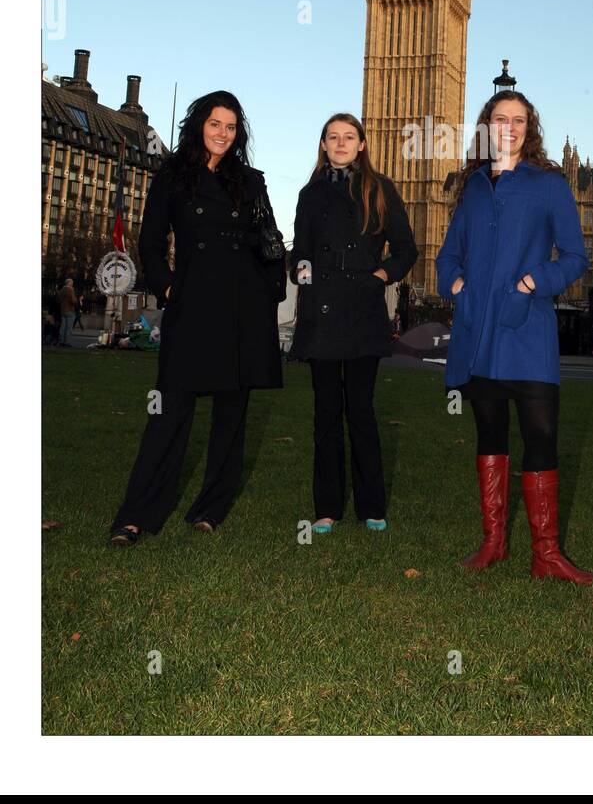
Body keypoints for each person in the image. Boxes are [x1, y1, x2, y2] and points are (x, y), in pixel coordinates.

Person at [437, 92, 593, 584]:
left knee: (541, 435)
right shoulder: (471, 187)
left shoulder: (549, 184)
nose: (509, 127)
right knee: (489, 435)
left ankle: (546, 553)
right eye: (500, 119)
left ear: (530, 128)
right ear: (486, 126)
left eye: (519, 120)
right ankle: (494, 543)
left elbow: (574, 257)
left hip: (527, 331)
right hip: (478, 332)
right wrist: (459, 287)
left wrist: (533, 283)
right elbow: (447, 257)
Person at [109, 92, 286, 545]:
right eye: (214, 124)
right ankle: (136, 514)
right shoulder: (172, 176)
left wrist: (268, 297)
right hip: (192, 302)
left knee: (231, 415)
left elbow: (269, 243)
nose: (222, 133)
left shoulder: (251, 181)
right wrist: (167, 286)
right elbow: (150, 241)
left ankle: (211, 508)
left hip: (242, 305)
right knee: (168, 411)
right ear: (199, 126)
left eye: (230, 126)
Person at [288, 113, 417, 533]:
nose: (340, 143)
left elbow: (405, 249)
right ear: (323, 145)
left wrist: (379, 276)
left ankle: (371, 506)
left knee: (360, 410)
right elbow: (299, 251)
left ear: (362, 145)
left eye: (349, 137)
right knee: (325, 412)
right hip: (322, 309)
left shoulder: (380, 190)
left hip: (361, 309)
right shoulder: (310, 194)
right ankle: (326, 507)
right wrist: (302, 272)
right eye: (333, 137)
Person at [57, 278, 77, 346]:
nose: (72, 284)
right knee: (68, 328)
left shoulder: (62, 290)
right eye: (72, 283)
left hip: (63, 310)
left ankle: (61, 341)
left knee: (63, 327)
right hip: (70, 310)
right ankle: (66, 342)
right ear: (70, 283)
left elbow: (58, 299)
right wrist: (76, 300)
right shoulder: (70, 290)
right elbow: (73, 300)